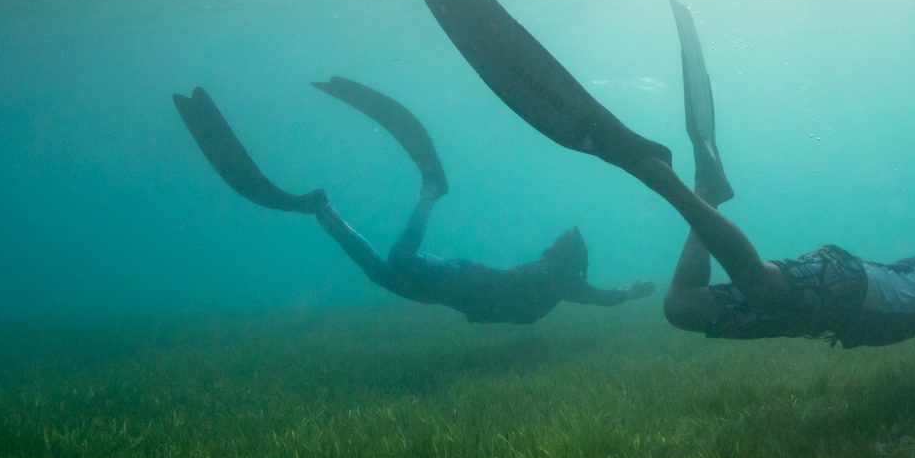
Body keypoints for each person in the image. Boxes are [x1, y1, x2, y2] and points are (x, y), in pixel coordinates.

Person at [419, 0, 915, 348]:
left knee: (681, 309)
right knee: (755, 281)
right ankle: (658, 175)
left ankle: (708, 191)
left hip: (837, 308)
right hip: (848, 287)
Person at [171, 76, 653, 324]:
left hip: (455, 287)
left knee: (383, 275)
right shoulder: (558, 280)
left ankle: (322, 209)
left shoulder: (559, 280)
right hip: (459, 281)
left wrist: (629, 292)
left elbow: (600, 297)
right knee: (399, 260)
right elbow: (600, 297)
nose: (553, 247)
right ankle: (431, 190)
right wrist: (628, 291)